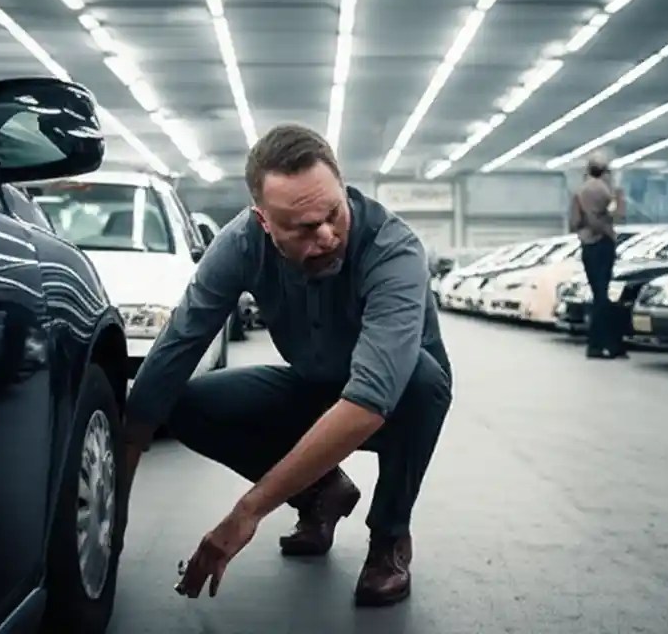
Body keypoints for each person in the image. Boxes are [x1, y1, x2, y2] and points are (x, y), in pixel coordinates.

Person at [121, 123, 453, 607]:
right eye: (302, 228)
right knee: (182, 404)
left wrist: (247, 511)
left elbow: (367, 401)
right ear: (263, 221)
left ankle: (389, 538)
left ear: (342, 189)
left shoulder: (393, 249)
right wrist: (116, 499)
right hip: (312, 386)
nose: (326, 236)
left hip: (393, 402)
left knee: (423, 382)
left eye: (333, 214)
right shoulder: (240, 243)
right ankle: (320, 494)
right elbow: (179, 342)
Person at [569, 151, 625, 359]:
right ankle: (597, 345)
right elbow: (618, 212)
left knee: (599, 294)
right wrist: (618, 192)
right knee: (602, 297)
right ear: (605, 172)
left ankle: (612, 344)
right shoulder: (603, 190)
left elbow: (574, 222)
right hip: (602, 243)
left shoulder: (579, 192)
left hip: (587, 245)